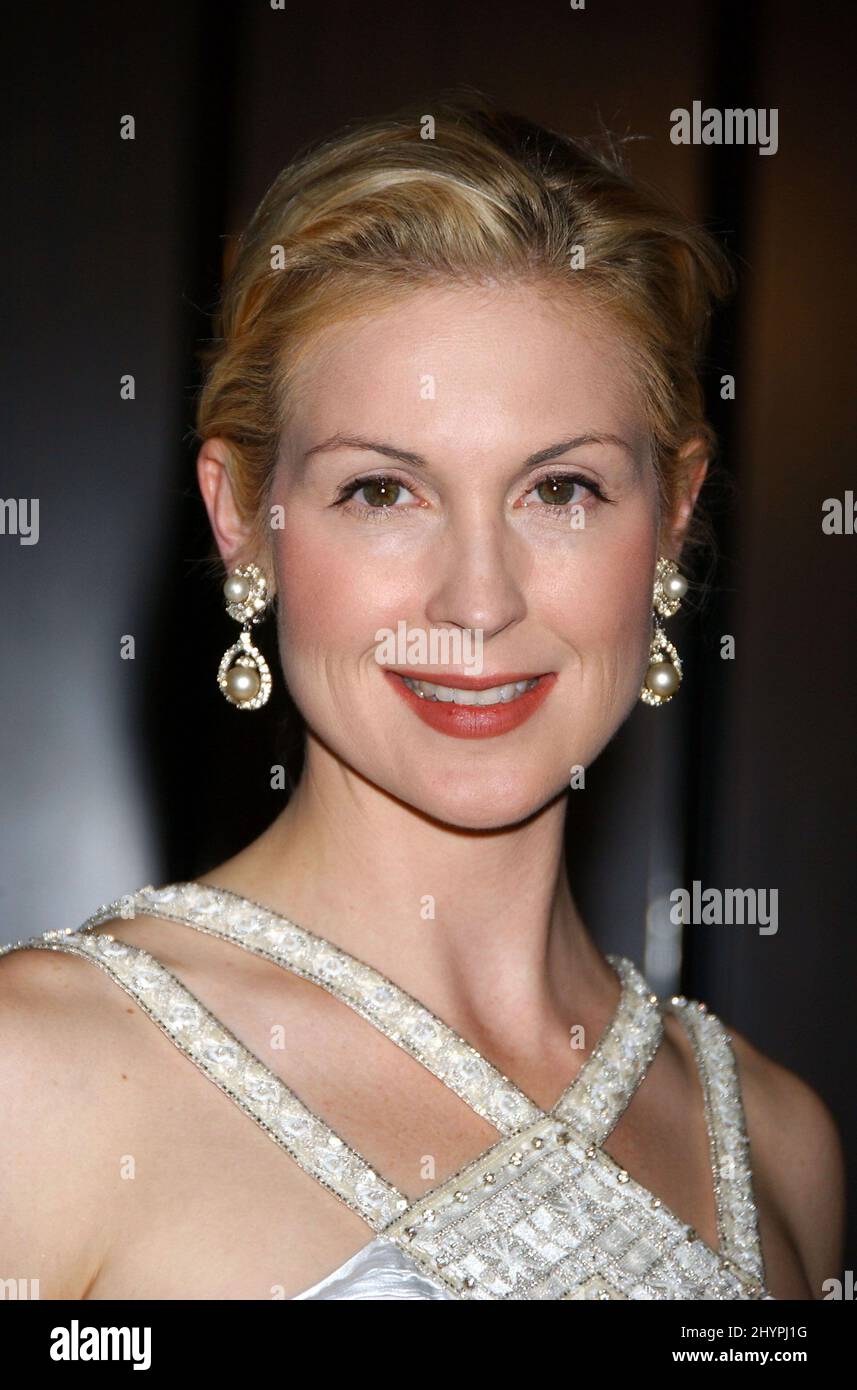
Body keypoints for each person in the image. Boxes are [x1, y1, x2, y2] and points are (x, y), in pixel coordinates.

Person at [0, 96, 844, 1301]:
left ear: (671, 515)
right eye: (381, 492)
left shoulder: (779, 1140)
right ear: (244, 519)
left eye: (559, 488)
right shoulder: (33, 1080)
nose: (478, 600)